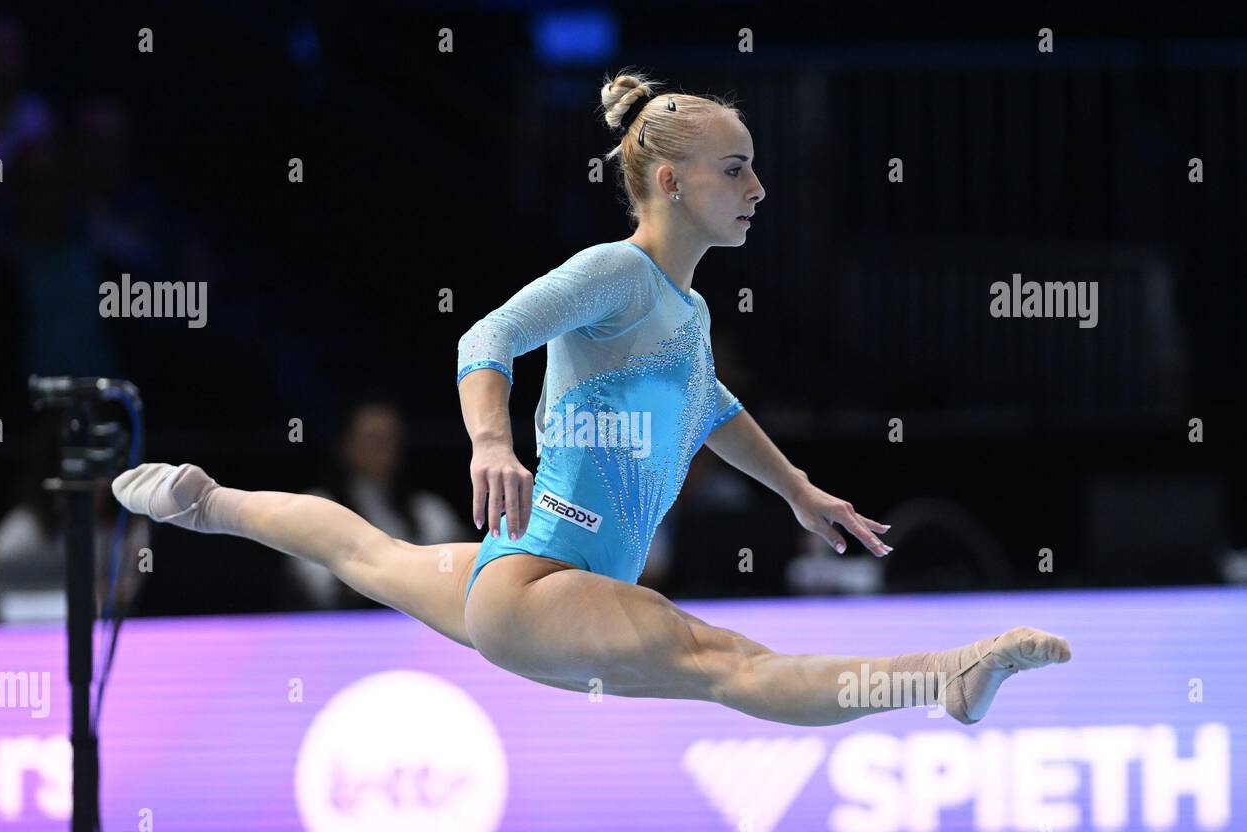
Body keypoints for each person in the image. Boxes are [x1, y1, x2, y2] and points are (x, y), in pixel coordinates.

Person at [111, 70, 1070, 726]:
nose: (759, 187)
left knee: (365, 550)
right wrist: (490, 442)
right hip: (541, 585)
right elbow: (485, 337)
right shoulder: (617, 272)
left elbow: (707, 407)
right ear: (669, 180)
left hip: (521, 579)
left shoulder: (682, 313)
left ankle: (204, 501)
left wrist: (794, 488)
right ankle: (944, 675)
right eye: (735, 168)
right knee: (735, 668)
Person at [284, 400, 467, 609]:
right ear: (345, 445)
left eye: (390, 439)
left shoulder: (428, 510)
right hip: (345, 629)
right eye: (372, 439)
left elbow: (456, 577)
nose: (383, 448)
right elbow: (324, 591)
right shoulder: (315, 507)